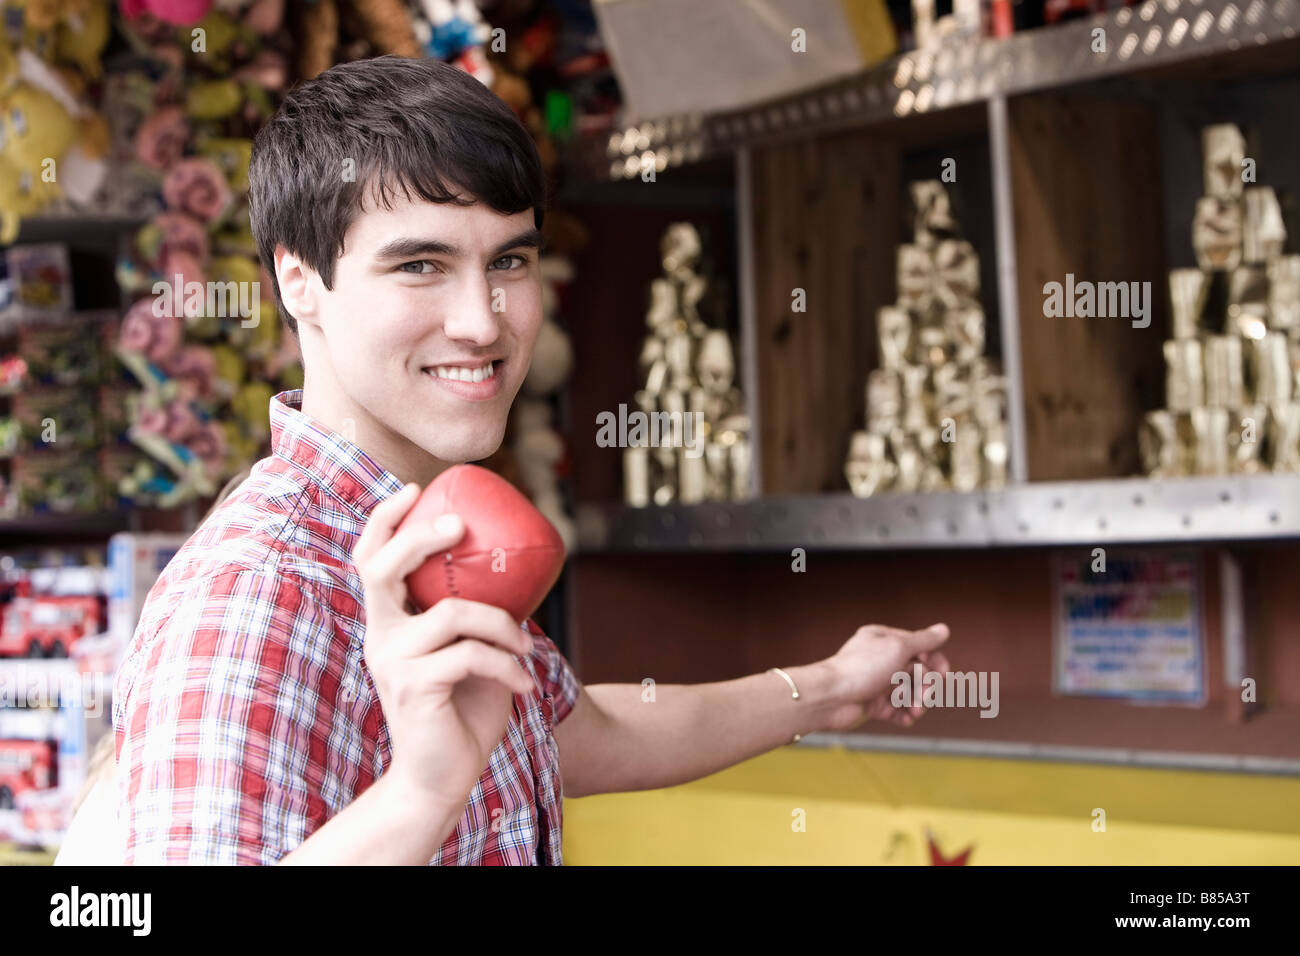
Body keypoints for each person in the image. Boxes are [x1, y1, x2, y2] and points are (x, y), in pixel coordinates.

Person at [108, 55, 953, 865]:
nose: (483, 321)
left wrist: (839, 684)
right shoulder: (261, 591)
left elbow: (591, 736)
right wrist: (420, 794)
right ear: (300, 282)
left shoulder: (422, 528)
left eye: (508, 260)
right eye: (421, 265)